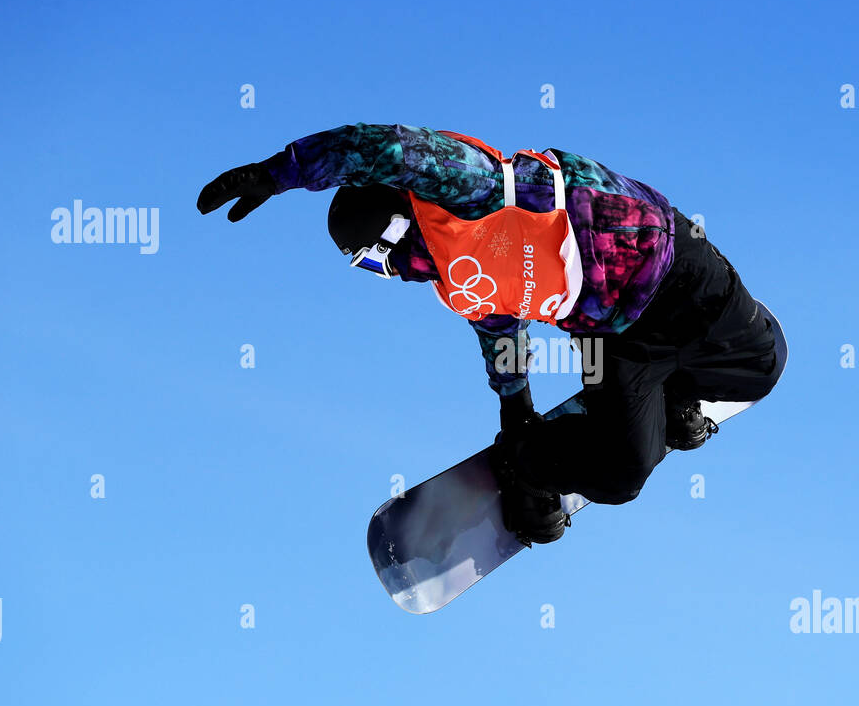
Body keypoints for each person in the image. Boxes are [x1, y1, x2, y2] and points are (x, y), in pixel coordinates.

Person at [197, 123, 784, 545]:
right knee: (622, 473)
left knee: (764, 364)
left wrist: (282, 172)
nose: (383, 274)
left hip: (675, 265)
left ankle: (677, 395)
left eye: (372, 260)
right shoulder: (459, 283)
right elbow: (502, 335)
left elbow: (383, 150)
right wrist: (516, 412)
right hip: (612, 340)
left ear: (393, 229)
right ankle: (531, 468)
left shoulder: (466, 190)